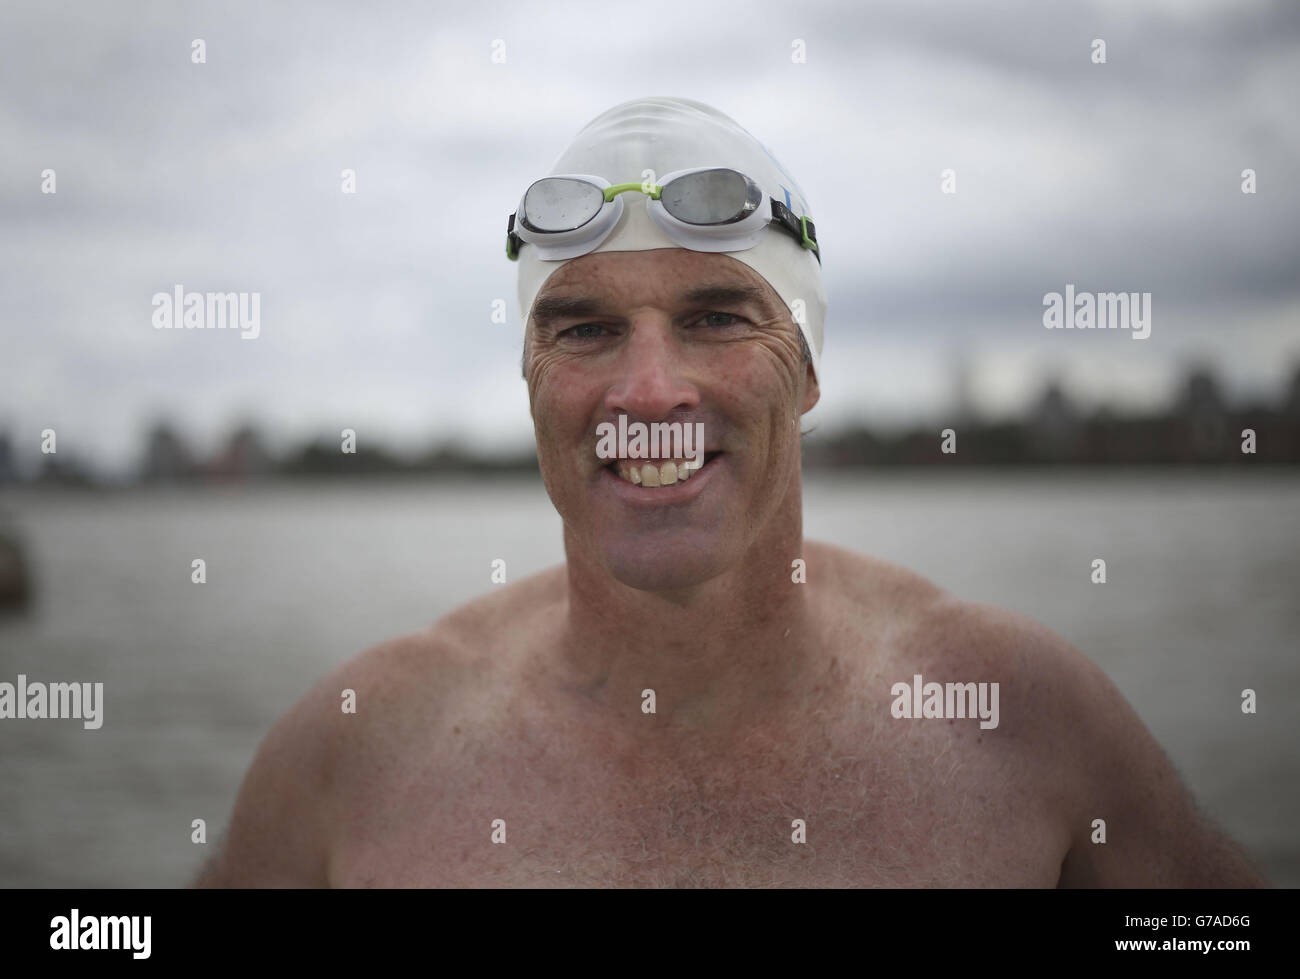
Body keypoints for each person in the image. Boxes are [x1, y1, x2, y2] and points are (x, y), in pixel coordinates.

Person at [194, 96, 1266, 887]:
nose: (648, 389)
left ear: (804, 372)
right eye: (585, 328)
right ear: (530, 380)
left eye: (714, 316)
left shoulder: (1020, 719)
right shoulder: (356, 749)